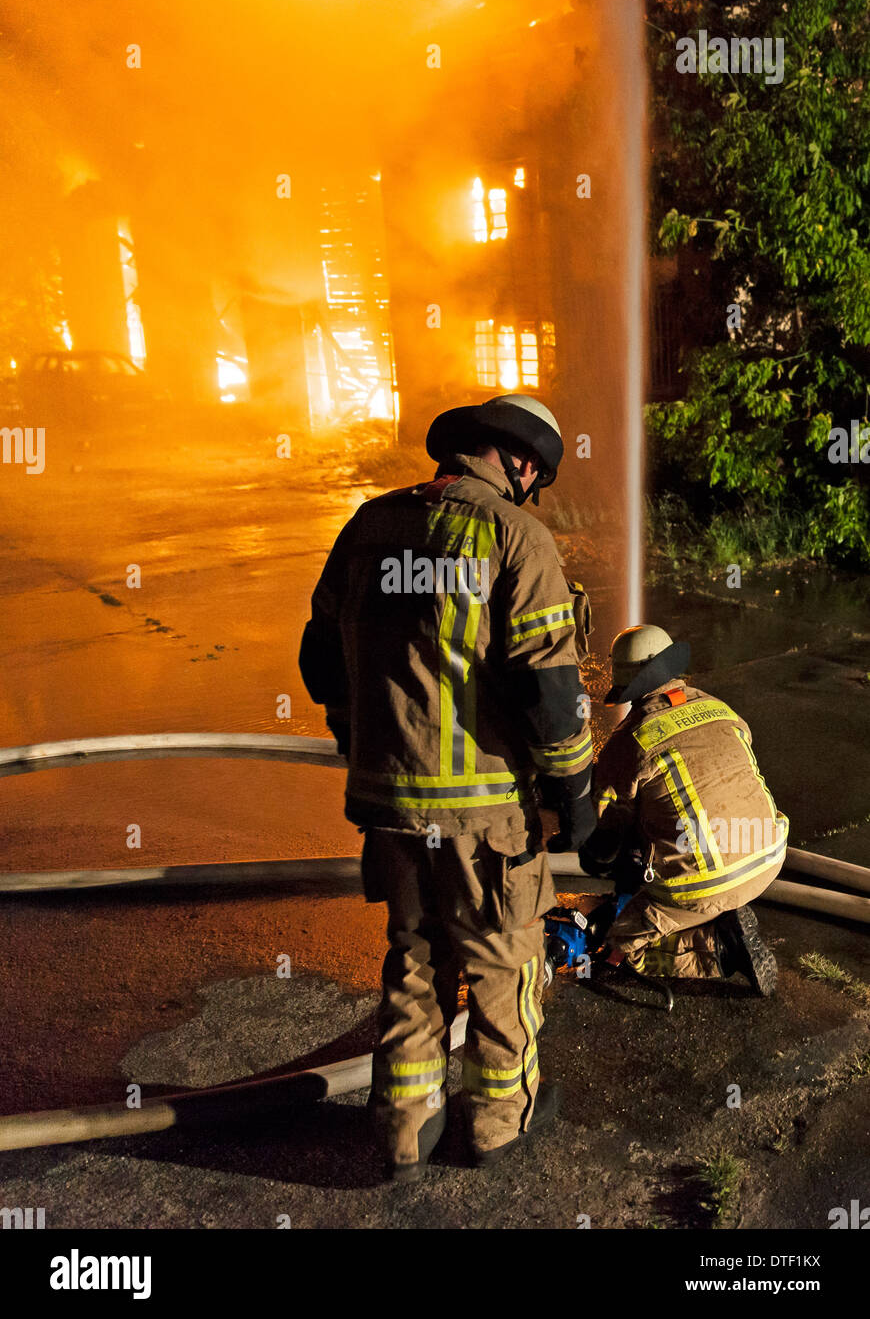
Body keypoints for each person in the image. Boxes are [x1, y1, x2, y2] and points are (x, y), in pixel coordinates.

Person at [299, 393, 595, 1179]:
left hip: (390, 810)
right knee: (505, 963)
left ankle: (405, 1132)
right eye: (540, 474)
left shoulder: (369, 526)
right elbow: (550, 691)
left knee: (415, 958)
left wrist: (359, 740)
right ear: (523, 464)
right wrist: (576, 792)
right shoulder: (514, 536)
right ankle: (499, 1128)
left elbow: (320, 661)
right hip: (485, 815)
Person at [580, 625, 786, 994]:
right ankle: (721, 913)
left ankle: (721, 949)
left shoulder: (628, 741)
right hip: (770, 857)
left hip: (704, 882)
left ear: (629, 686)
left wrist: (599, 856)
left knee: (623, 948)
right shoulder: (720, 707)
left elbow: (605, 838)